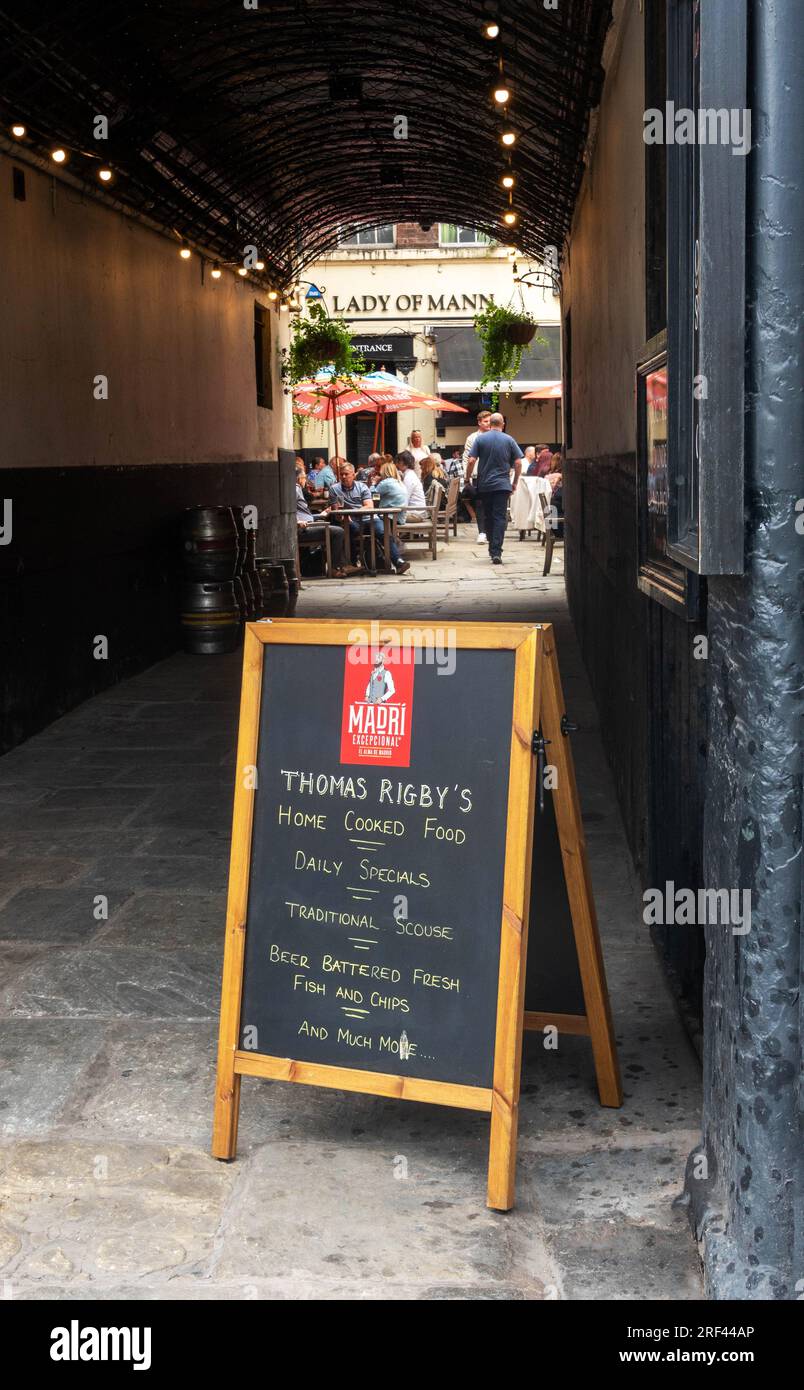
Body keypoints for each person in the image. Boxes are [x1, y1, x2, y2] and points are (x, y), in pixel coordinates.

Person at [466, 411, 523, 564]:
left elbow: (471, 461)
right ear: (503, 424)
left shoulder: (480, 439)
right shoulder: (509, 439)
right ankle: (496, 551)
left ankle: (492, 546)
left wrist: (467, 478)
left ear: (490, 423)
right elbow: (518, 463)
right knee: (499, 517)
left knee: (488, 516)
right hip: (503, 485)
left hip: (485, 485)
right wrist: (515, 481)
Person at [296, 481, 355, 577]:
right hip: (301, 529)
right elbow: (290, 511)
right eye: (303, 478)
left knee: (339, 528)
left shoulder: (296, 488)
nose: (305, 481)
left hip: (308, 524)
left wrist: (320, 515)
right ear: (299, 478)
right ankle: (334, 568)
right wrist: (297, 522)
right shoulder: (294, 488)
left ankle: (343, 565)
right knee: (338, 531)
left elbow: (303, 515)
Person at [371, 462, 411, 575]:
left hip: (389, 516)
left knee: (380, 531)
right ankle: (394, 558)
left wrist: (373, 483)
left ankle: (383, 557)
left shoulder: (386, 483)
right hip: (399, 516)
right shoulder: (399, 482)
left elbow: (373, 496)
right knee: (381, 532)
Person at [462, 408, 492, 540]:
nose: (488, 424)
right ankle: (482, 532)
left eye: (490, 421)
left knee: (491, 504)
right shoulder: (472, 438)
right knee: (480, 504)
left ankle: (490, 530)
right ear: (479, 422)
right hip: (477, 475)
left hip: (492, 474)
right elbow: (467, 458)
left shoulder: (494, 435)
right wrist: (467, 476)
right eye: (485, 421)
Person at [395, 450, 428, 522]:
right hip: (416, 511)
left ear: (405, 463)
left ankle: (394, 533)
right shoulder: (409, 474)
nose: (396, 464)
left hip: (416, 514)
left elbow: (404, 499)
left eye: (398, 462)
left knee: (387, 517)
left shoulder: (409, 478)